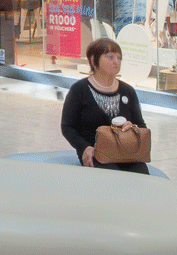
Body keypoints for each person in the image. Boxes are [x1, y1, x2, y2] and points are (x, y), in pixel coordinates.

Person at [59, 38, 149, 174]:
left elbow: (141, 125)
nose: (116, 62)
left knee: (141, 174)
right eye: (110, 57)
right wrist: (84, 148)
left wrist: (133, 128)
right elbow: (68, 126)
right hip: (95, 152)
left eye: (119, 58)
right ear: (94, 59)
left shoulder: (128, 91)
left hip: (125, 151)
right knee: (109, 176)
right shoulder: (79, 90)